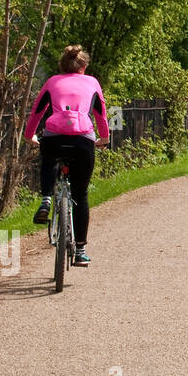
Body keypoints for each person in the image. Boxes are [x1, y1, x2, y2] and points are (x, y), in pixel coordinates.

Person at [23, 44, 111, 268]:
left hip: (54, 137)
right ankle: (81, 250)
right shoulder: (92, 82)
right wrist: (104, 137)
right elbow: (100, 113)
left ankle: (46, 199)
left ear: (63, 64)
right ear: (84, 65)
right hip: (83, 141)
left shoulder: (52, 82)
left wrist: (29, 135)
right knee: (80, 195)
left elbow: (37, 110)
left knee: (49, 159)